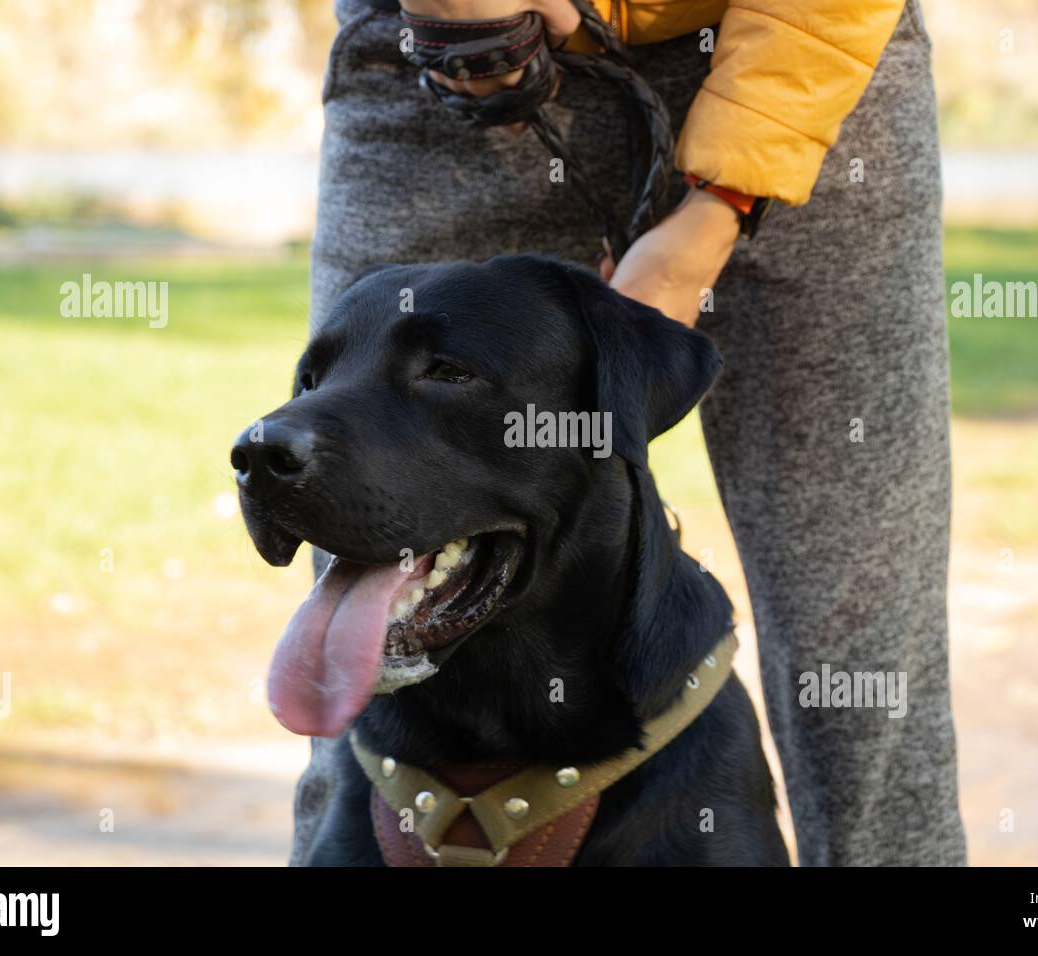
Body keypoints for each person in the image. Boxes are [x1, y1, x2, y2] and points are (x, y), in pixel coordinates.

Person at [297, 0, 966, 865]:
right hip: (438, 55)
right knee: (373, 552)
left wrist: (720, 204)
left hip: (808, 62)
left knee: (863, 654)